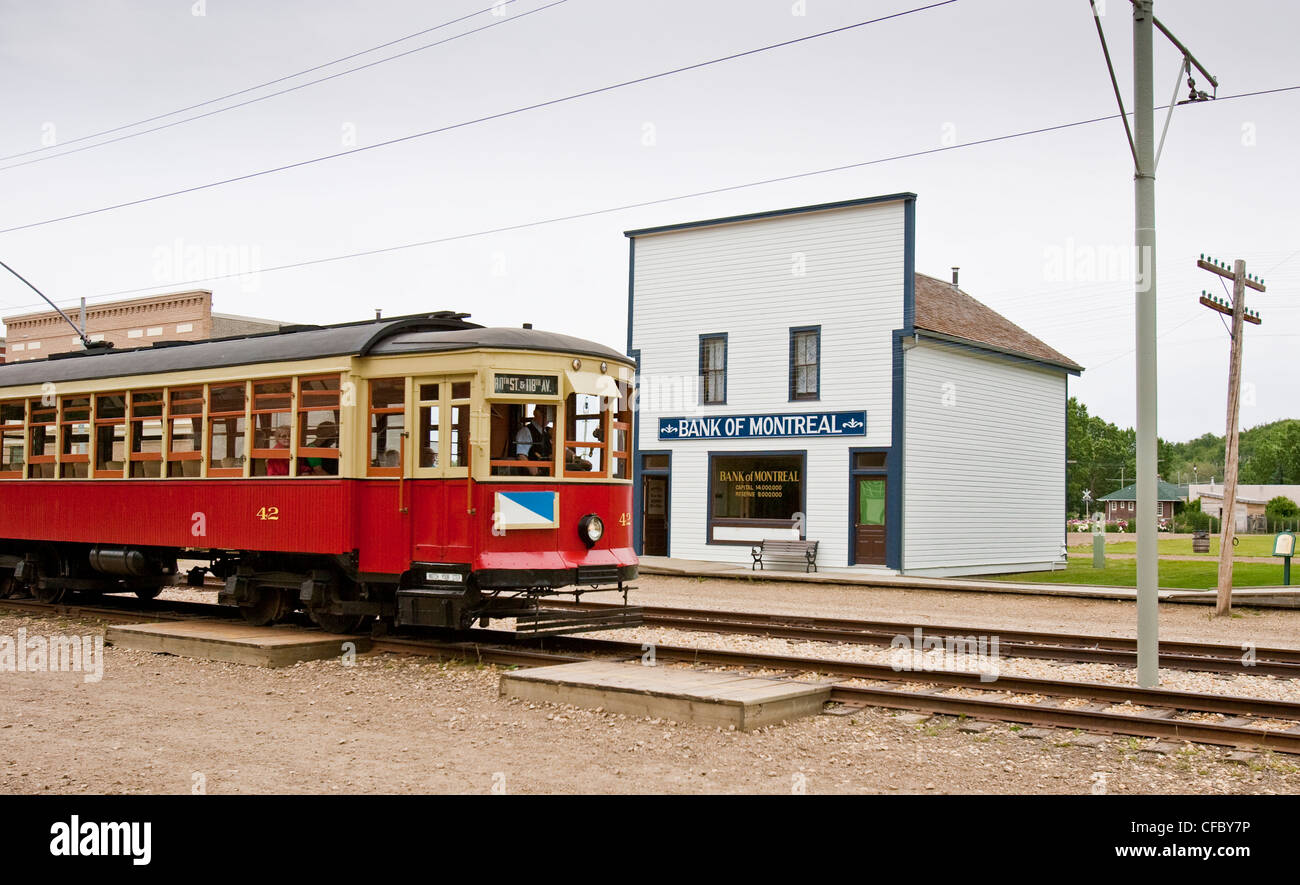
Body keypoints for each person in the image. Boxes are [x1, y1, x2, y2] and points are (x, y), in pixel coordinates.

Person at [514, 406, 552, 474]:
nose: (548, 419)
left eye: (549, 415)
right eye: (545, 415)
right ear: (536, 413)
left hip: (550, 472)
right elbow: (521, 456)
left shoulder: (550, 431)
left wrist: (573, 456)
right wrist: (533, 470)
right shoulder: (526, 431)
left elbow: (564, 450)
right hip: (535, 476)